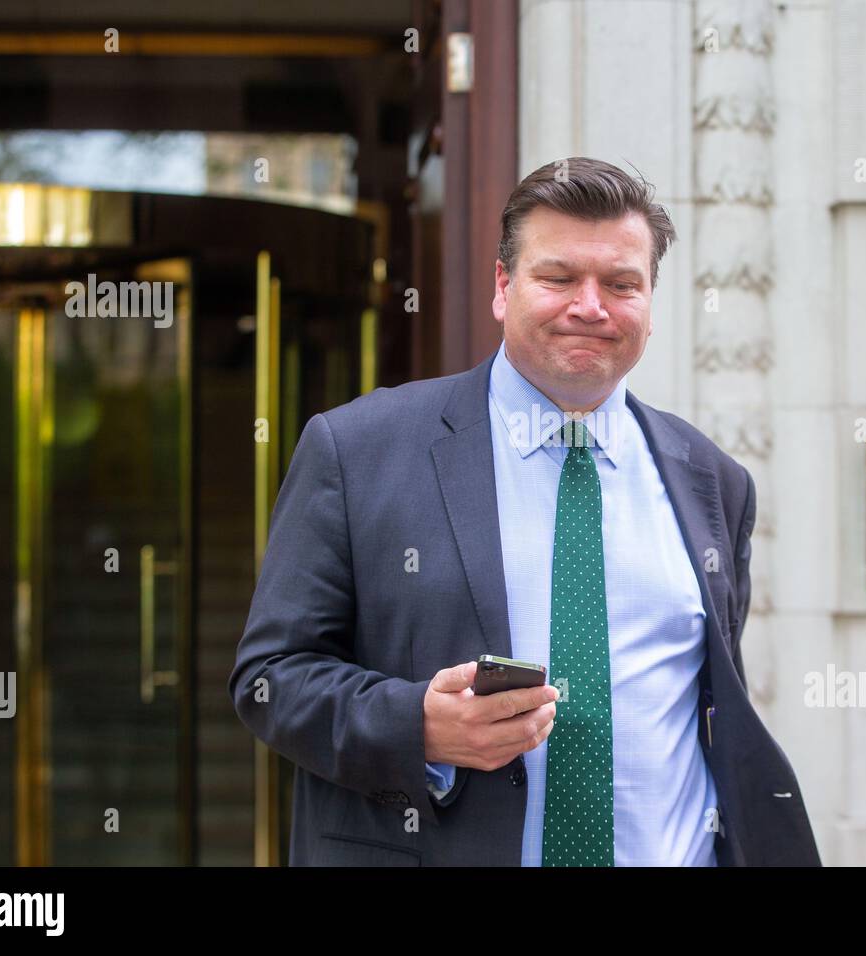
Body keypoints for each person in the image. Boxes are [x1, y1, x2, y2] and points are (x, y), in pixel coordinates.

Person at [229, 157, 820, 866]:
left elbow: (705, 714)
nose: (591, 306)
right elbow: (270, 677)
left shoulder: (714, 482)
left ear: (651, 305)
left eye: (621, 284)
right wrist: (417, 727)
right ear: (504, 289)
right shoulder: (358, 451)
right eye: (560, 278)